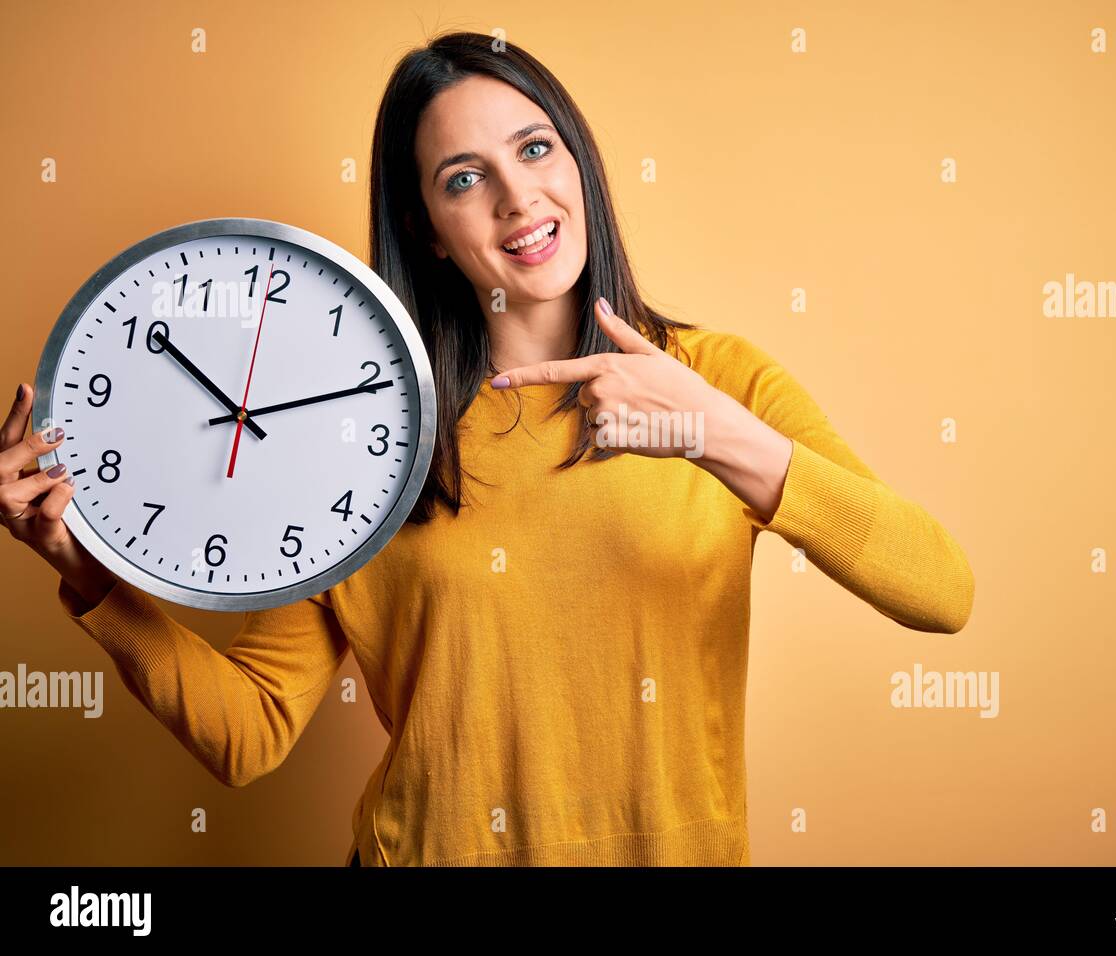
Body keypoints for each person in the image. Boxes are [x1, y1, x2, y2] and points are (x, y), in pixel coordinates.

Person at [0, 32, 975, 866]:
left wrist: (716, 433)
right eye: (465, 178)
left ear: (579, 165)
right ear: (427, 229)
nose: (519, 198)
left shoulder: (721, 378)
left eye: (536, 149)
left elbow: (939, 590)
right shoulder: (358, 442)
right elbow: (249, 730)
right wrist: (86, 565)